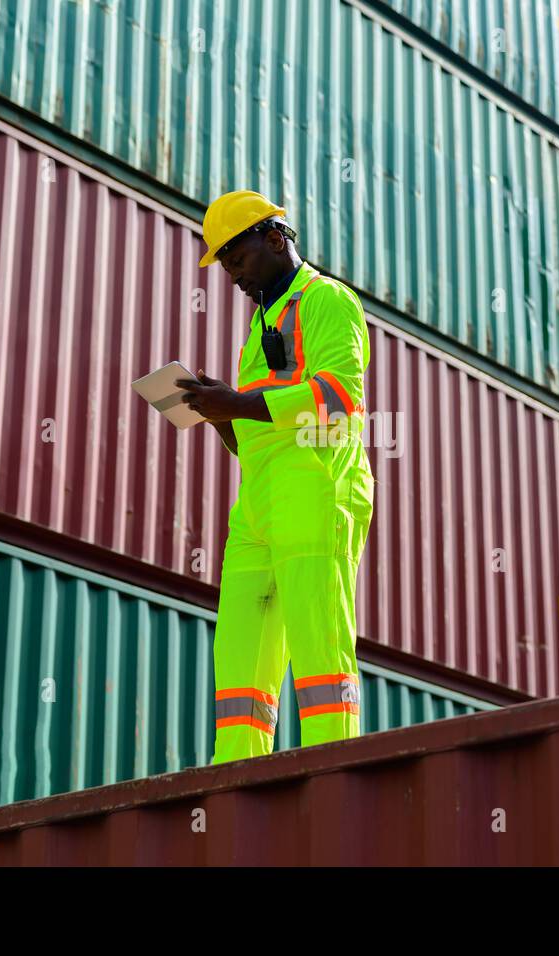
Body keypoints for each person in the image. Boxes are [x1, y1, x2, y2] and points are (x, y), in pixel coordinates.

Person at [178, 190, 375, 764]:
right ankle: (236, 777)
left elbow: (340, 398)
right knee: (240, 662)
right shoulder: (262, 325)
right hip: (258, 507)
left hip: (317, 491)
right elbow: (255, 436)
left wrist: (235, 403)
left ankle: (336, 767)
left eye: (236, 259)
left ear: (274, 238)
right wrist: (217, 414)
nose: (234, 276)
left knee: (320, 643)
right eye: (226, 266)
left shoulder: (327, 301)